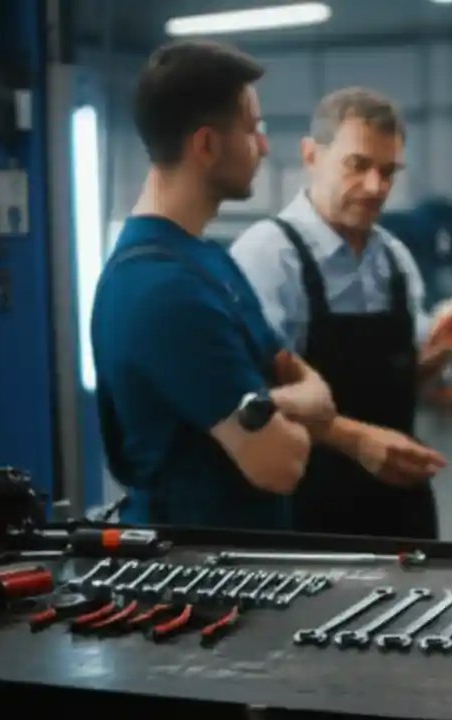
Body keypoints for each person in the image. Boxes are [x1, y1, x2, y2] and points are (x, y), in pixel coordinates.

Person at [91, 40, 335, 530]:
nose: (264, 145)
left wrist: (266, 403)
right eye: (252, 129)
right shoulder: (163, 292)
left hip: (245, 571)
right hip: (194, 587)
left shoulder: (206, 261)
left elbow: (315, 393)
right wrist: (284, 402)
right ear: (205, 145)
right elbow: (281, 464)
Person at [230, 87, 452, 540]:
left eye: (388, 172)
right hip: (305, 513)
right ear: (311, 155)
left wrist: (441, 350)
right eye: (358, 165)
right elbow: (252, 403)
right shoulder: (268, 257)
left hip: (400, 509)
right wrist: (357, 440)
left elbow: (393, 386)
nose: (376, 187)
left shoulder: (395, 260)